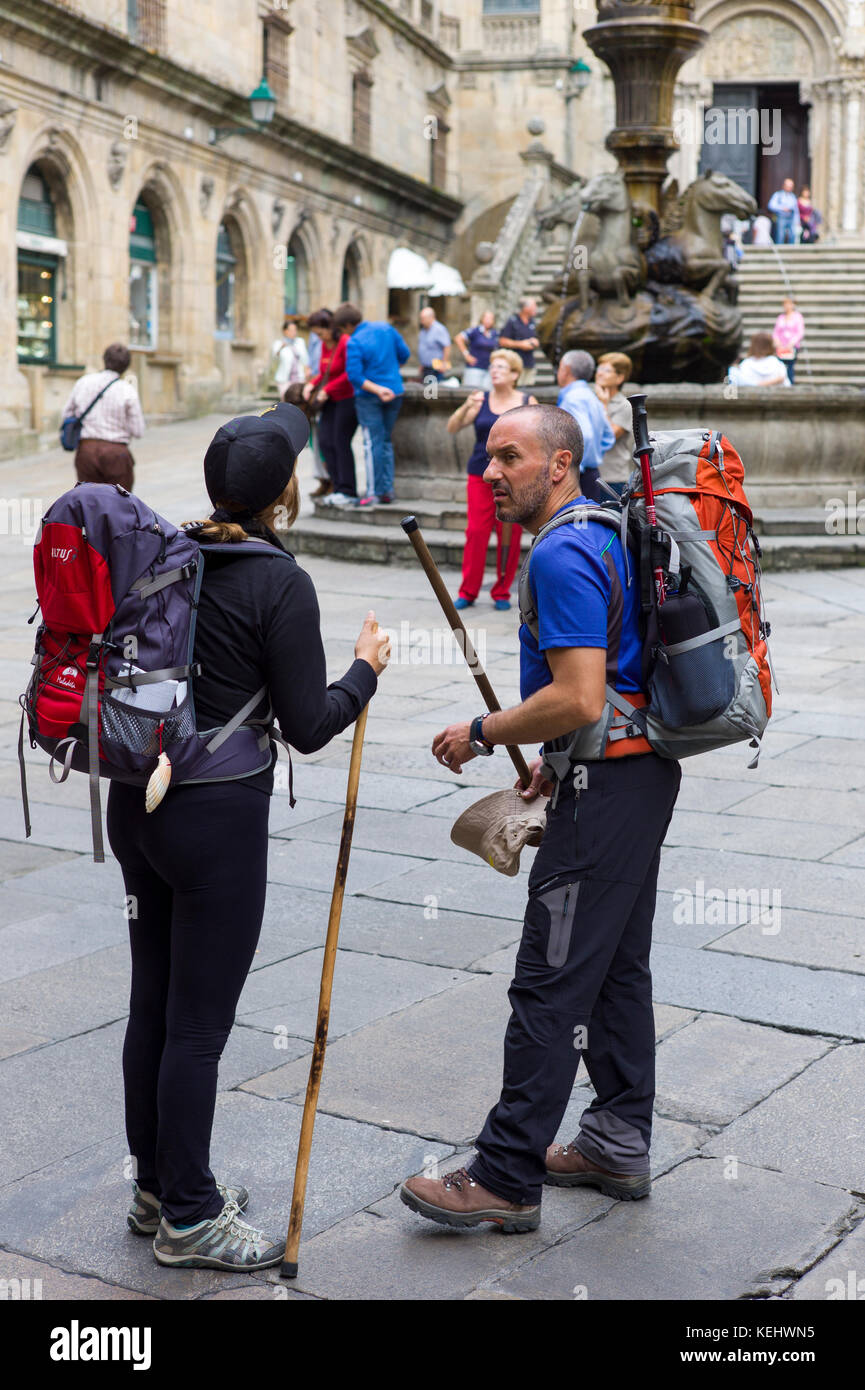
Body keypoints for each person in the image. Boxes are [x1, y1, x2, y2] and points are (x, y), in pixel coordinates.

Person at [110, 402, 388, 1271]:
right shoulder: (277, 580)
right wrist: (364, 674)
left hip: (135, 802)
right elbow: (307, 725)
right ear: (281, 494)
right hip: (215, 816)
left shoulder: (159, 551)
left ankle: (157, 1185)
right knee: (198, 1025)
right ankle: (190, 1218)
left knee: (153, 998)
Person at [400, 403, 681, 1232]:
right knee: (617, 970)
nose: (492, 473)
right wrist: (557, 765)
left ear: (558, 464)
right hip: (632, 777)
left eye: (509, 457)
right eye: (491, 458)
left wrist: (481, 732)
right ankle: (616, 1141)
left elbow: (579, 694)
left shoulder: (561, 552)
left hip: (606, 795)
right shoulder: (601, 530)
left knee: (548, 984)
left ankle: (504, 1174)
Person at [447, 348, 537, 611]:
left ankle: (501, 592)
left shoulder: (526, 400)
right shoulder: (480, 399)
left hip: (513, 477)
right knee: (476, 531)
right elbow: (452, 428)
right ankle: (468, 590)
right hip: (480, 472)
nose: (494, 371)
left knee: (509, 531)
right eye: (492, 366)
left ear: (515, 374)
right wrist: (466, 406)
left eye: (501, 367)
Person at [338, 300, 410, 507]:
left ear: (347, 326)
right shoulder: (387, 328)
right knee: (385, 441)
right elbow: (404, 355)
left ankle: (373, 492)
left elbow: (355, 376)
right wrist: (389, 374)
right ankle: (387, 490)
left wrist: (378, 389)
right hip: (395, 391)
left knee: (371, 443)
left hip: (370, 397)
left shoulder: (355, 341)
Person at [61, 343, 144, 492]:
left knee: (89, 502)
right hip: (116, 453)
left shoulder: (83, 382)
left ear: (104, 360)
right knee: (119, 505)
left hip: (87, 452)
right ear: (126, 366)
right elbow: (138, 430)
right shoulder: (127, 390)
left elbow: (67, 414)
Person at [303, 308, 358, 505]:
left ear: (330, 327)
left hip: (346, 398)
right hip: (329, 399)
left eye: (320, 333)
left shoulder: (344, 342)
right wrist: (312, 383)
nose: (319, 337)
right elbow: (326, 372)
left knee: (340, 442)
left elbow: (349, 373)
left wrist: (328, 388)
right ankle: (336, 485)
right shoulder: (325, 345)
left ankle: (348, 489)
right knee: (325, 442)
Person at [556, 349, 614, 501]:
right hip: (591, 473)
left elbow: (585, 435)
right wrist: (593, 456)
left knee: (575, 522)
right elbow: (608, 436)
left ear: (566, 369)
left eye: (560, 367)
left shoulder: (572, 398)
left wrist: (574, 467)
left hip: (577, 476)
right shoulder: (591, 396)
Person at [304, 308, 336, 499]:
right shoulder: (318, 340)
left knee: (328, 440)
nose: (318, 336)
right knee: (315, 439)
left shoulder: (336, 341)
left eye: (319, 332)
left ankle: (332, 479)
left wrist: (324, 388)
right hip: (316, 389)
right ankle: (323, 479)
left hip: (328, 393)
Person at [594, 351, 634, 496]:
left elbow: (610, 436)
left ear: (619, 378)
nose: (599, 373)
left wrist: (604, 405)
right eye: (599, 368)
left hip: (612, 477)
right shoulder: (590, 400)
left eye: (606, 370)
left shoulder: (624, 406)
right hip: (590, 475)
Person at [499, 297, 540, 387]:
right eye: (534, 306)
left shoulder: (532, 322)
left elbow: (536, 338)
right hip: (515, 363)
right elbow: (502, 341)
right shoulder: (513, 321)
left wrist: (535, 342)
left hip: (529, 362)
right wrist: (520, 344)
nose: (536, 308)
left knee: (529, 388)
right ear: (526, 308)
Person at [456, 310, 499, 390]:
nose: (488, 321)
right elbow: (458, 338)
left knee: (487, 392)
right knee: (472, 391)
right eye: (487, 318)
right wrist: (466, 355)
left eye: (491, 319)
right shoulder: (475, 331)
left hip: (488, 368)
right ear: (482, 319)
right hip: (475, 366)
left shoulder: (494, 333)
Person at [772, 298, 805, 384]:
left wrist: (791, 343)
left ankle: (790, 383)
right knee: (780, 365)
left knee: (789, 366)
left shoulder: (797, 317)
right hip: (781, 346)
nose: (787, 306)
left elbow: (800, 332)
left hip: (792, 346)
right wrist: (777, 341)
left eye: (789, 304)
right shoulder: (781, 317)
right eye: (785, 304)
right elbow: (776, 332)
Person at [273, 320, 309, 398]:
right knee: (286, 402)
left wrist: (307, 371)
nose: (294, 332)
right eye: (291, 330)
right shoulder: (278, 343)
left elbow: (305, 359)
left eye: (295, 330)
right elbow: (275, 358)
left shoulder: (300, 342)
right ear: (285, 331)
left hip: (299, 378)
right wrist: (281, 347)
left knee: (299, 400)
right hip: (284, 379)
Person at [417, 305, 452, 383]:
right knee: (427, 391)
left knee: (433, 392)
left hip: (436, 367)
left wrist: (444, 363)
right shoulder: (423, 330)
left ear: (431, 317)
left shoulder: (439, 329)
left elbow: (447, 346)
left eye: (423, 319)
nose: (421, 321)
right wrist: (422, 364)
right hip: (426, 367)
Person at [768, 177, 800, 245]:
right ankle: (779, 250)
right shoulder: (778, 195)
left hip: (791, 217)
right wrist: (782, 208)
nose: (789, 188)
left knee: (792, 235)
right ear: (784, 186)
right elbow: (771, 205)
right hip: (781, 217)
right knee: (780, 235)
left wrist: (797, 221)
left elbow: (796, 210)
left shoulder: (793, 196)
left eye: (791, 186)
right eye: (788, 186)